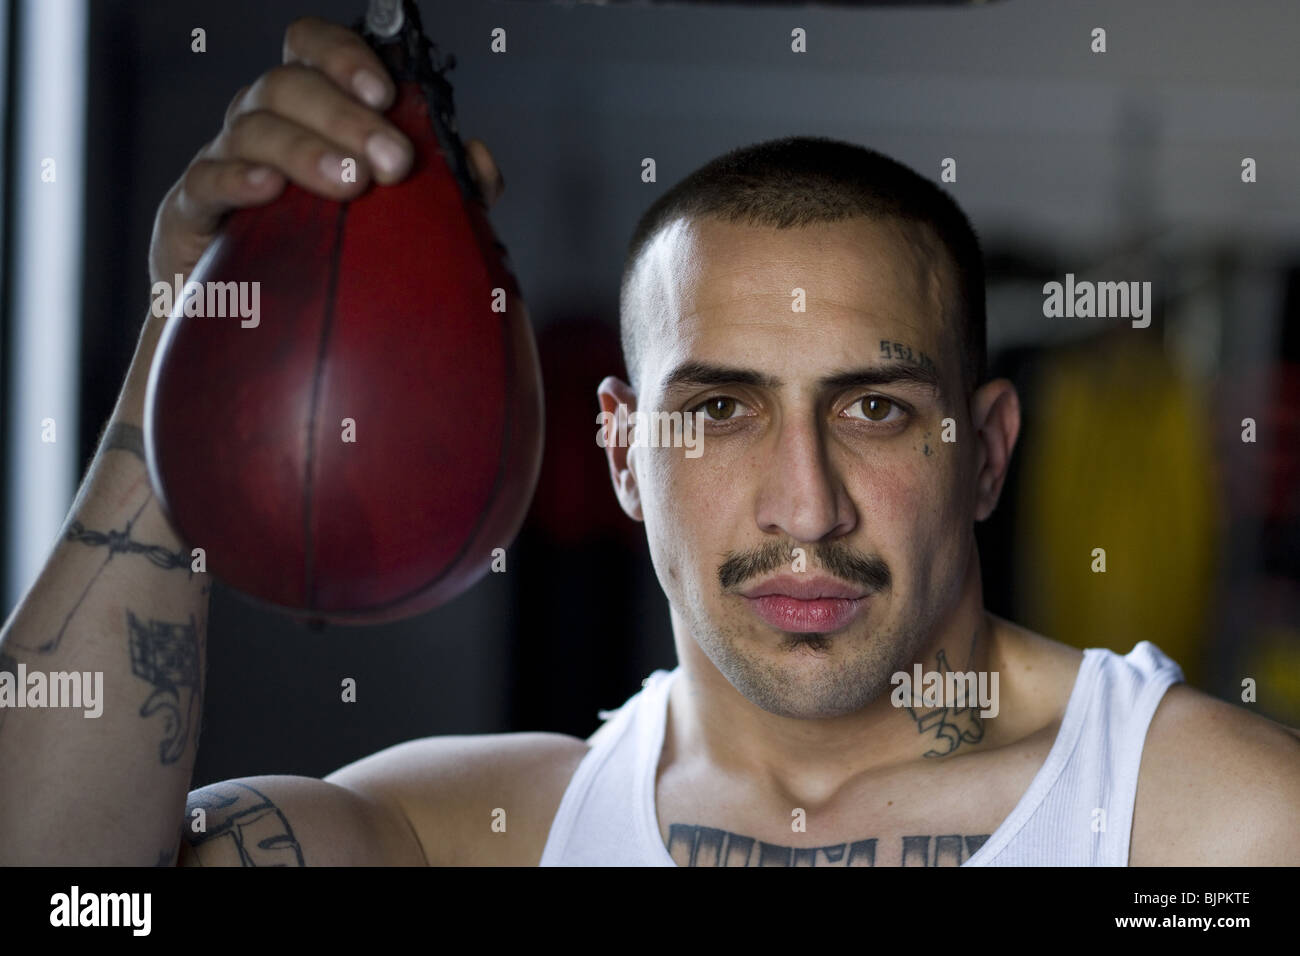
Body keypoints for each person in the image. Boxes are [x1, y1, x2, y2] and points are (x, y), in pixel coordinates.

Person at [1, 14, 1296, 868]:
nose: (806, 509)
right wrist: (194, 336)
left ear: (989, 449)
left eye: (876, 409)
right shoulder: (489, 835)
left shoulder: (1205, 826)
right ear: (620, 452)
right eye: (721, 410)